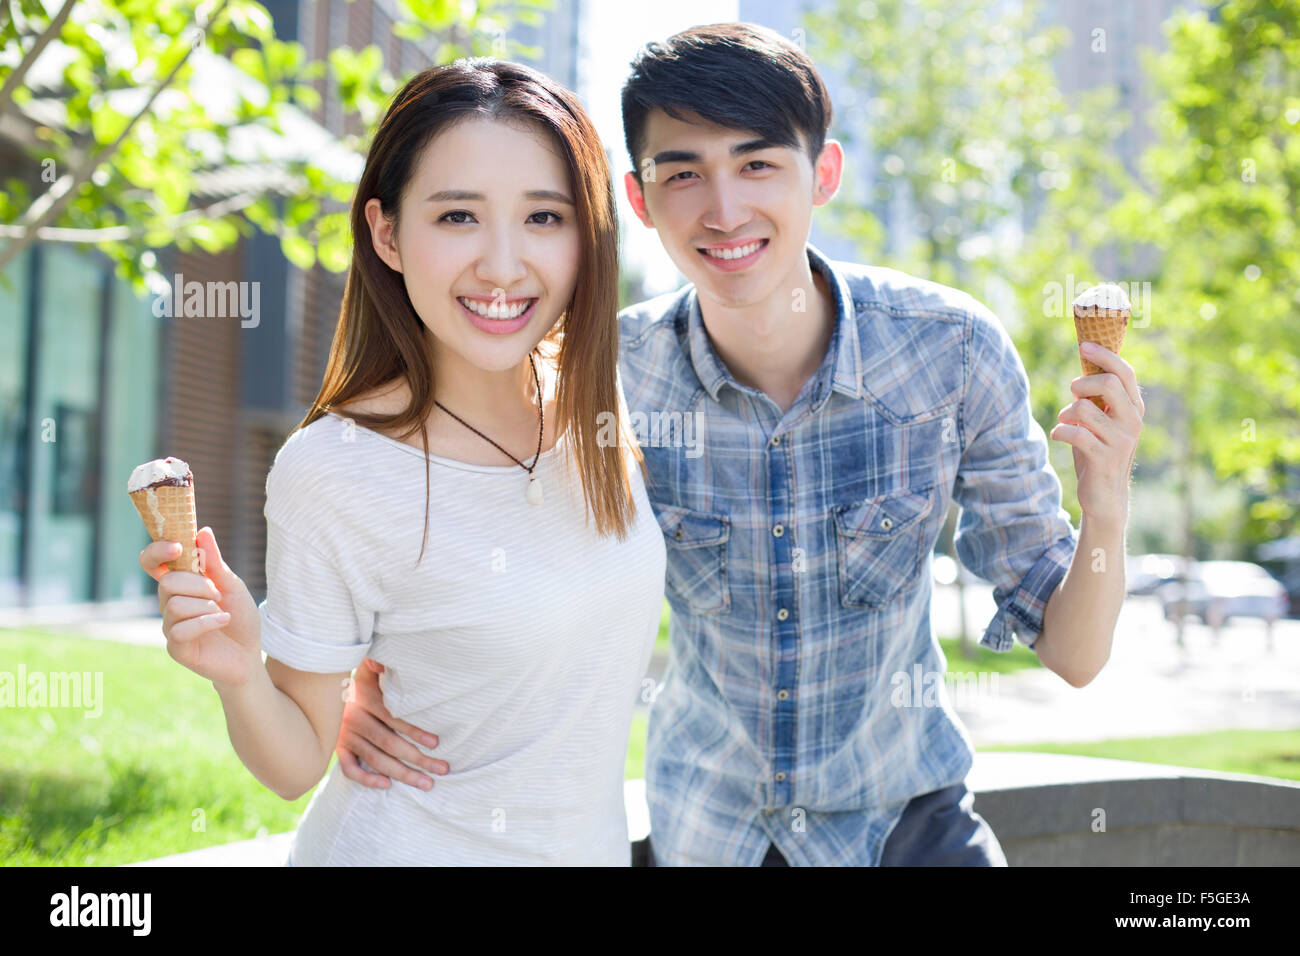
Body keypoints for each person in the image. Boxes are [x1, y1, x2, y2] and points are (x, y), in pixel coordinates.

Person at [340, 22, 1146, 866]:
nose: (724, 211)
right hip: (711, 829)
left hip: (907, 822)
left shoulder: (953, 351)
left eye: (758, 164)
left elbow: (1075, 656)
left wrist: (1107, 501)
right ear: (640, 198)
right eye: (684, 172)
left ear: (823, 174)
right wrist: (365, 682)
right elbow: (483, 559)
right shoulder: (602, 379)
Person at [137, 58, 666, 866]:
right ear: (387, 232)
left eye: (544, 218)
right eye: (458, 216)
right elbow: (293, 764)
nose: (501, 263)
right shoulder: (338, 469)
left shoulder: (602, 406)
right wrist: (241, 672)